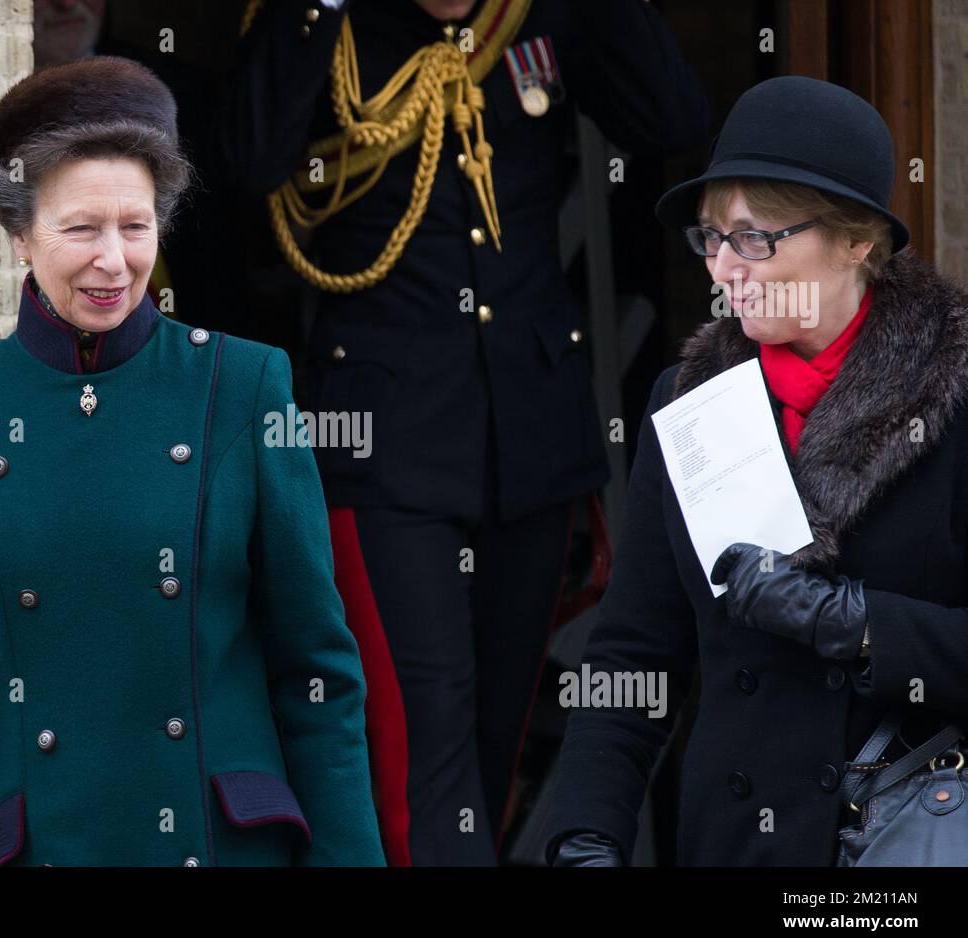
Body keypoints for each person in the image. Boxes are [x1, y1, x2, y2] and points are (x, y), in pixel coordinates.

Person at [0, 55, 385, 867]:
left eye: (136, 226)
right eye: (81, 228)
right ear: (19, 233)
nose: (113, 261)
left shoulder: (246, 388)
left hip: (224, 847)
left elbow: (318, 675)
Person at [214, 0, 710, 865]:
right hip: (385, 445)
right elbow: (248, 160)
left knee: (492, 761)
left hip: (528, 436)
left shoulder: (539, 17)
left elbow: (674, 119)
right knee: (418, 769)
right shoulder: (326, 24)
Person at [544, 75, 968, 866]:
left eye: (757, 236)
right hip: (737, 844)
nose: (723, 268)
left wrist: (860, 623)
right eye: (712, 237)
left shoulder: (954, 394)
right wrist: (586, 831)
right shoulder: (691, 404)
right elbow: (634, 653)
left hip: (903, 838)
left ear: (858, 242)